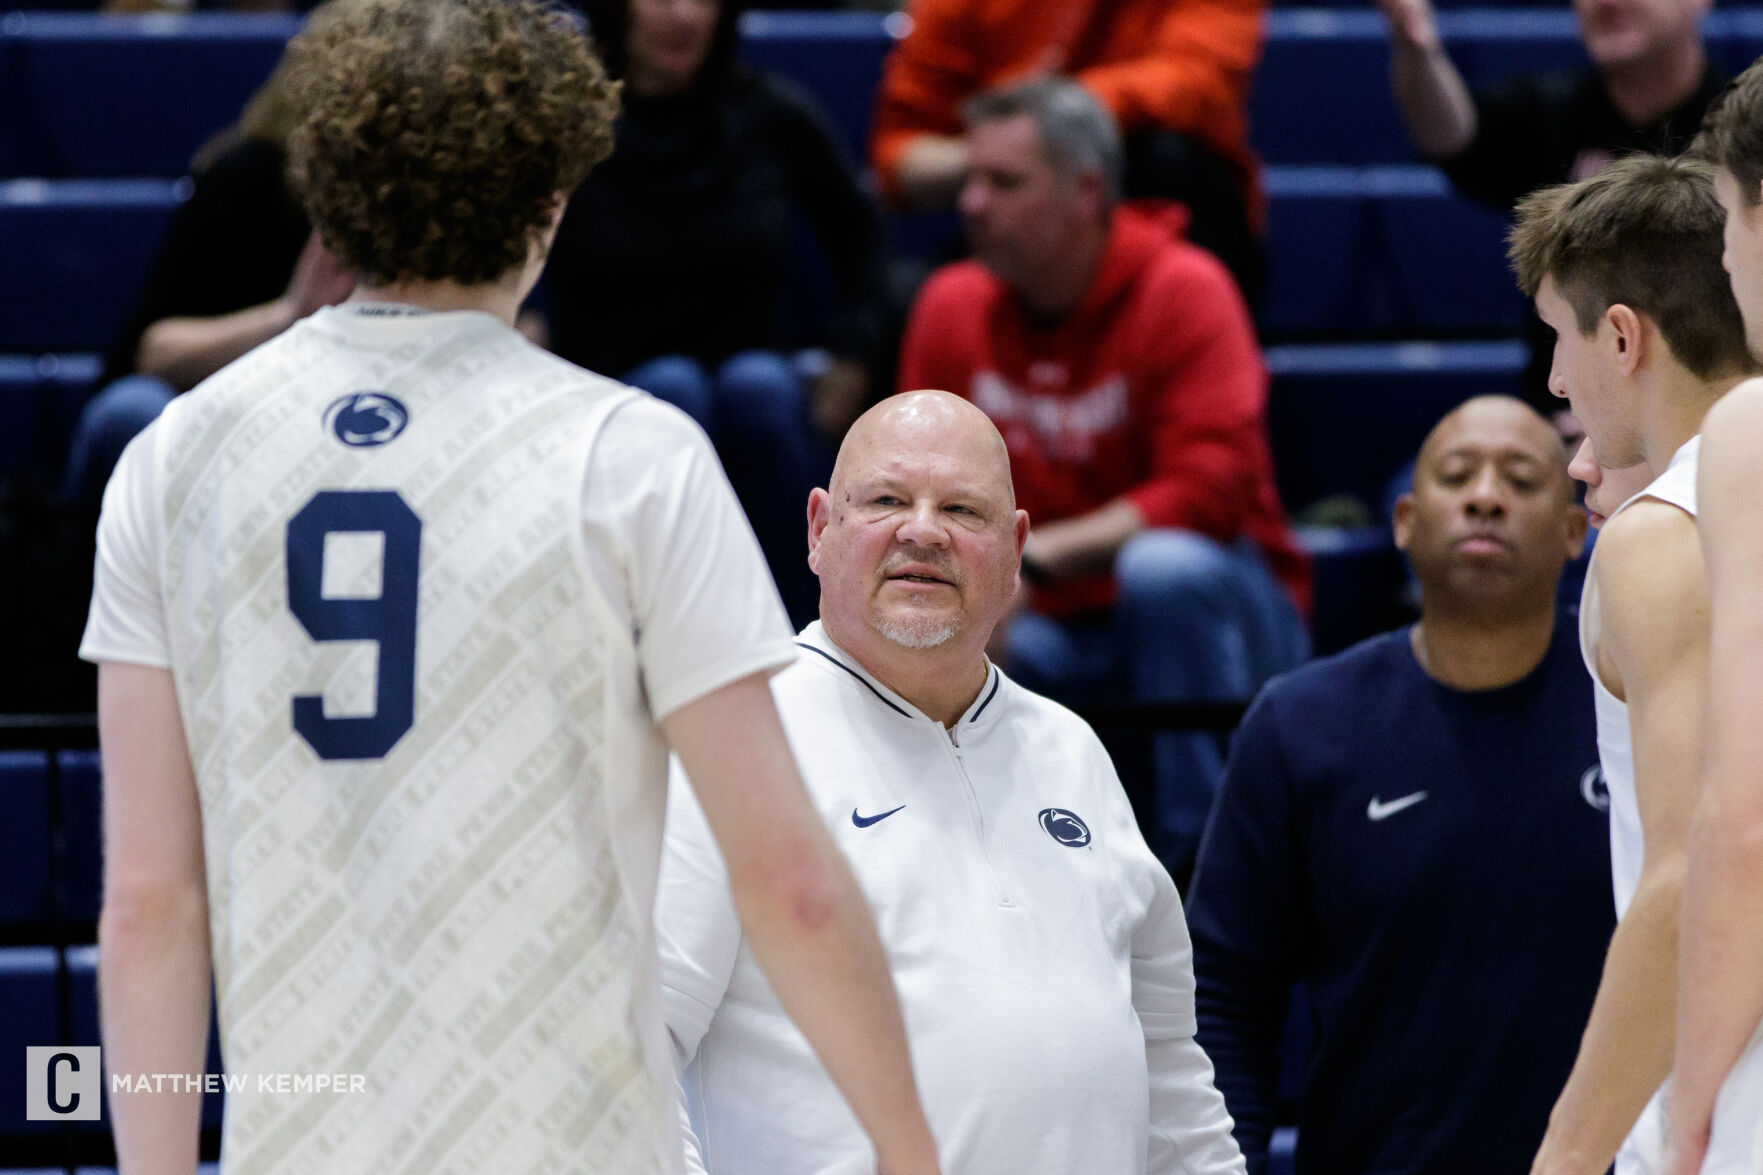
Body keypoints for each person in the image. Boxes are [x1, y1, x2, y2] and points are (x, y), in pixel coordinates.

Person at [79, 3, 942, 1173]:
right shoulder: (632, 456)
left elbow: (148, 904)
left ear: (333, 189)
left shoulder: (172, 458)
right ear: (551, 197)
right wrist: (908, 1149)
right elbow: (787, 880)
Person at [655, 389, 1247, 1174]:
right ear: (819, 529)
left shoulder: (1071, 749)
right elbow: (632, 1049)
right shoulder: (731, 744)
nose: (923, 530)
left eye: (963, 510)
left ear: (1014, 549)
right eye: (887, 500)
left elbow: (1170, 1077)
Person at [1187, 396, 1611, 1175]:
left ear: (1572, 530)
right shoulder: (1300, 724)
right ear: (1405, 521)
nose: (1485, 496)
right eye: (1457, 475)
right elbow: (1223, 995)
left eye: (1520, 479)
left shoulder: (1635, 711)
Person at [898, 77, 1309, 878]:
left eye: (1003, 181)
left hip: (1217, 609)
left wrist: (1031, 560)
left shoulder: (1184, 289)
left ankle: (1204, 872)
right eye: (968, 179)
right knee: (962, 628)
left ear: (1085, 191)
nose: (971, 203)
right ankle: (1005, 873)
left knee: (1163, 572)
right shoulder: (949, 305)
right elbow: (917, 483)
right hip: (1053, 622)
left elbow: (1207, 488)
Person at [1508, 152, 1762, 1175]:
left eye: (1556, 338)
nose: (1553, 381)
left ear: (1620, 336)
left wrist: (1569, 1150)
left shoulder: (1662, 532)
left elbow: (1690, 875)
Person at [544, 0, 888, 626]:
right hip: (606, 384)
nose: (685, 16)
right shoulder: (568, 123)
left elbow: (863, 238)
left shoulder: (769, 113)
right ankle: (665, 634)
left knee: (758, 390)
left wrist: (853, 355)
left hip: (758, 377)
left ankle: (808, 631)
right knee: (671, 391)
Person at [1379, 0, 1724, 420]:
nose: (1606, 3)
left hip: (1710, 412)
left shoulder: (1739, 135)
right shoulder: (1550, 112)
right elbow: (1449, 137)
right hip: (1568, 419)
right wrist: (1417, 42)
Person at [870, 0, 1266, 297]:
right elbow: (898, 157)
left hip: (1174, 215)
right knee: (903, 306)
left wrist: (1049, 114)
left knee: (1169, 156)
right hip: (1008, 263)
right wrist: (1005, 155)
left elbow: (1196, 84)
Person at [1663, 66, 1763, 1175]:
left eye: (1726, 216)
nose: (1724, 258)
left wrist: (1685, 1104)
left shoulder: (1747, 430)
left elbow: (1744, 818)